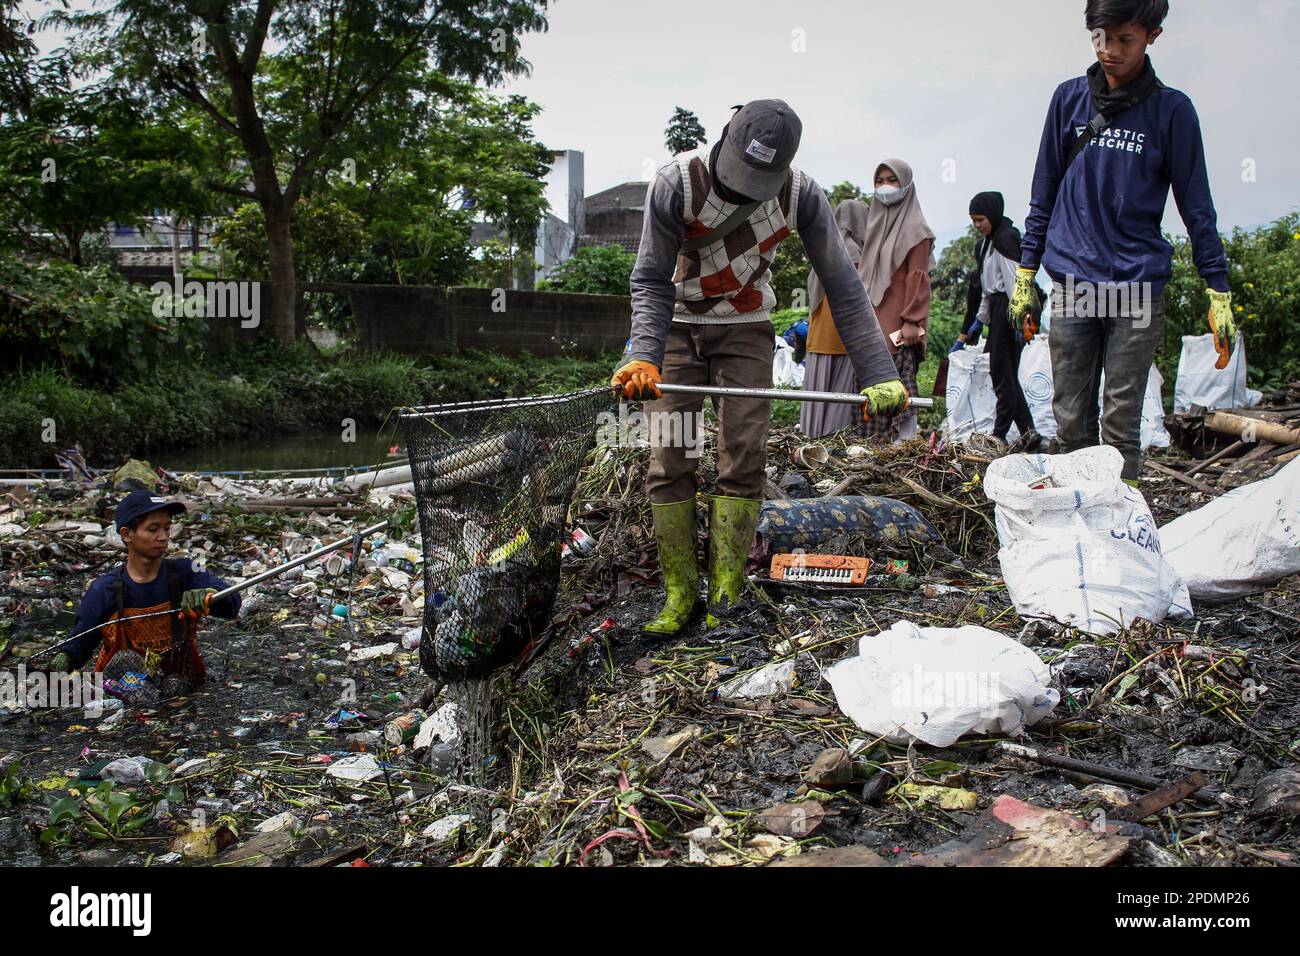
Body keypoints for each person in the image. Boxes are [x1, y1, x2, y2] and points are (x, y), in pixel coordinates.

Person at [611, 99, 908, 637]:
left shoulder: (803, 195)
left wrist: (878, 371)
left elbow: (843, 284)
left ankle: (726, 591)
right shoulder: (676, 183)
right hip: (676, 327)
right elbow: (651, 278)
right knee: (672, 452)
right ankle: (679, 593)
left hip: (746, 327)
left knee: (744, 450)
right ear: (722, 141)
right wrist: (644, 356)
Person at [1009, 0, 1233, 483]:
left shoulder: (1172, 112)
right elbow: (1043, 187)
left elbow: (1197, 207)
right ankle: (1074, 527)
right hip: (1073, 283)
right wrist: (1027, 272)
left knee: (1121, 422)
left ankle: (1121, 529)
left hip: (1138, 287)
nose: (1109, 50)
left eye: (1124, 40)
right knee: (1069, 421)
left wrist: (1218, 290)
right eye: (1099, 37)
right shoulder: (1068, 100)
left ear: (1153, 36)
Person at [45, 490, 240, 696]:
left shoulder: (187, 572)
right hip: (120, 690)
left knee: (175, 689)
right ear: (127, 534)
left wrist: (211, 594)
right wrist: (58, 664)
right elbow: (79, 645)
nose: (163, 537)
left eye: (167, 528)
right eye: (153, 529)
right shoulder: (104, 589)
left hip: (182, 685)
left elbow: (233, 605)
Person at [855, 159, 935, 443]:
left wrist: (912, 320)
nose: (885, 186)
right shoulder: (875, 225)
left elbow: (918, 277)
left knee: (901, 389)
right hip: (872, 326)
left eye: (892, 180)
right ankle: (874, 449)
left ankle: (903, 447)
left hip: (899, 328)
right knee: (871, 390)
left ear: (906, 185)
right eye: (879, 181)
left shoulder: (916, 229)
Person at [970, 191, 1040, 448]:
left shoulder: (1005, 239)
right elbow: (987, 290)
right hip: (997, 310)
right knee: (1005, 374)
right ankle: (1029, 432)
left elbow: (1014, 284)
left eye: (981, 219)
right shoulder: (987, 243)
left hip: (1009, 310)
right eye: (974, 220)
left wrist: (1020, 320)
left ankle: (999, 434)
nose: (978, 225)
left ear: (993, 215)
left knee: (1002, 375)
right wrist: (979, 322)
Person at [800, 198, 870, 437]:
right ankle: (830, 438)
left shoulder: (827, 244)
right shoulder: (854, 251)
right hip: (843, 332)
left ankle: (812, 435)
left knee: (817, 389)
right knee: (839, 391)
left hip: (820, 331)